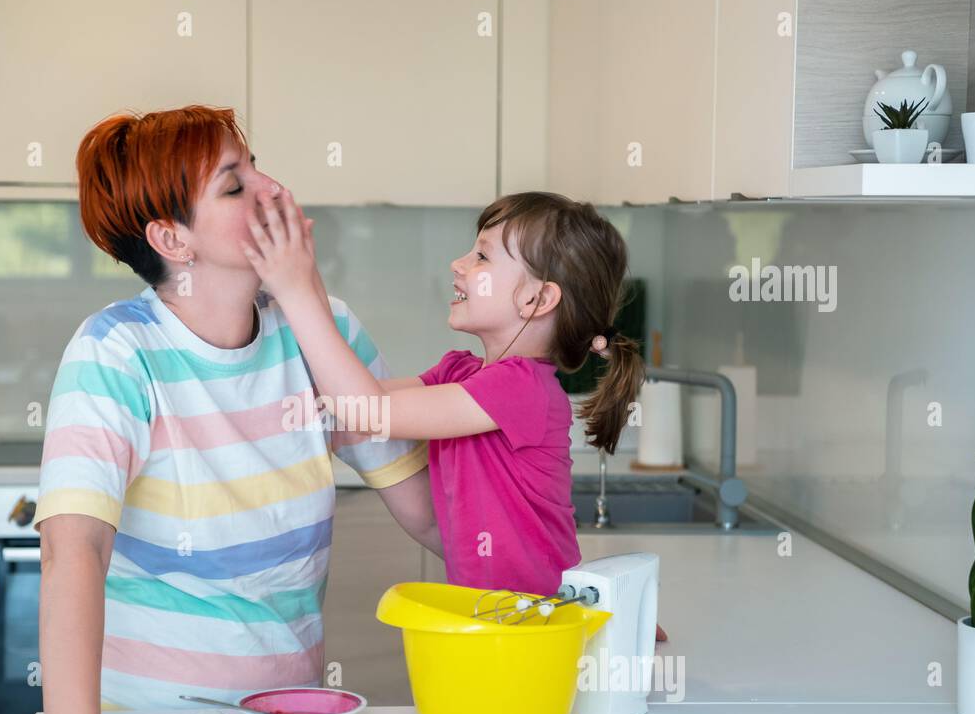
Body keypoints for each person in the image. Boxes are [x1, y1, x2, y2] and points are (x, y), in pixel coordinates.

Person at [0, 105, 435, 714]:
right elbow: (73, 550)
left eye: (255, 164)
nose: (271, 188)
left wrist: (562, 594)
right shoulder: (118, 353)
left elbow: (431, 514)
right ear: (171, 238)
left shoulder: (322, 331)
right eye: (233, 184)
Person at [240, 186, 666, 637]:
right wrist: (299, 287)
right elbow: (349, 399)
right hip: (504, 619)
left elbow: (365, 411)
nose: (458, 264)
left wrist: (297, 288)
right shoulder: (460, 373)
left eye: (482, 257)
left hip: (537, 627)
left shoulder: (522, 388)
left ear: (536, 300)